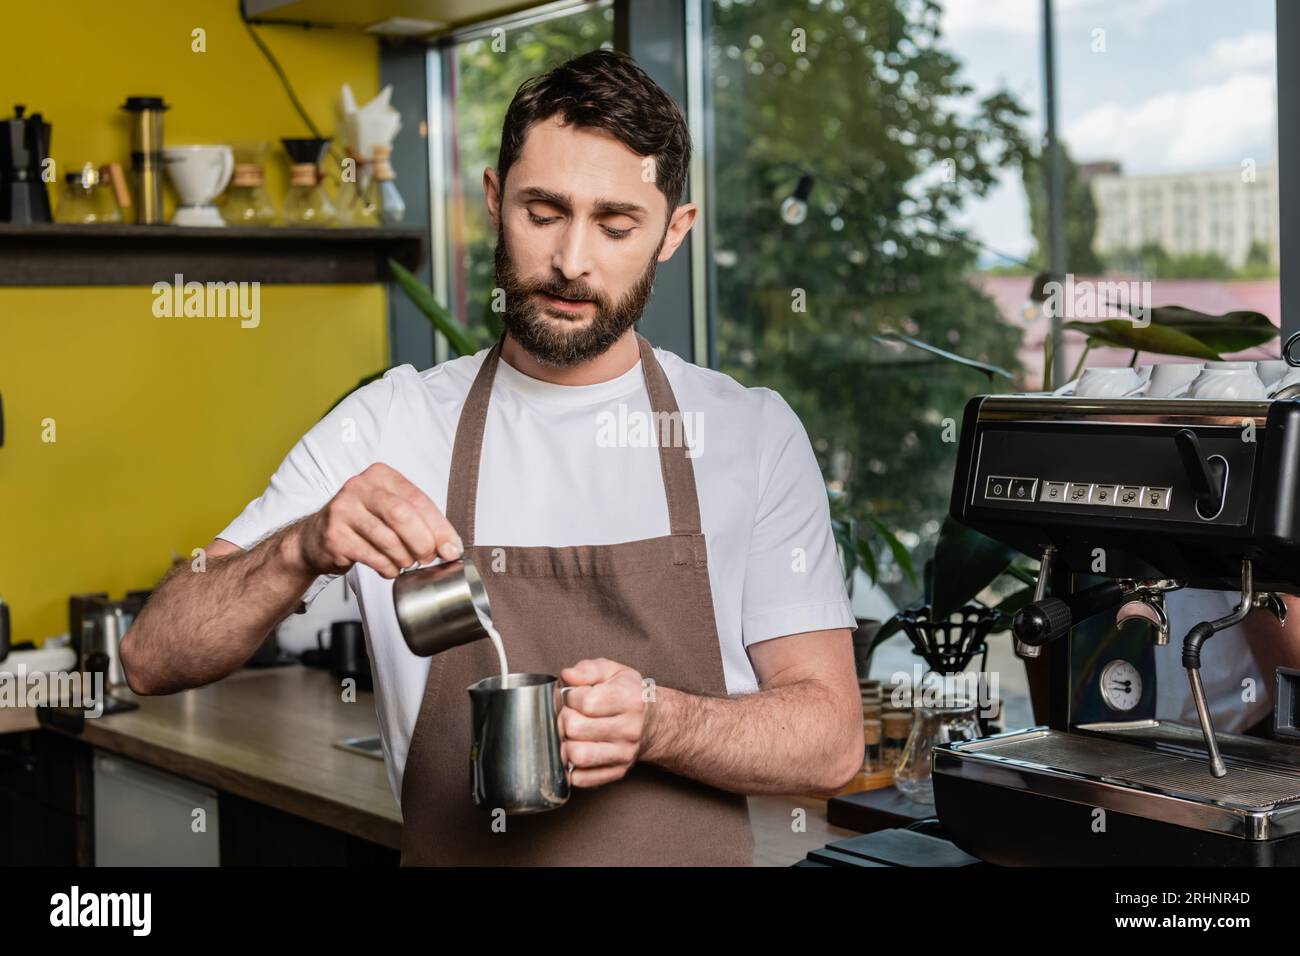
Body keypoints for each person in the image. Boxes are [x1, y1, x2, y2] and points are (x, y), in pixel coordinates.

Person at [120, 50, 863, 866]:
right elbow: (151, 658)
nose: (572, 260)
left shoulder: (748, 433)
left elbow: (830, 742)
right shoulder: (389, 423)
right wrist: (300, 546)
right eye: (542, 212)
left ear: (673, 233)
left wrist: (660, 721)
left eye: (616, 226)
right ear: (492, 200)